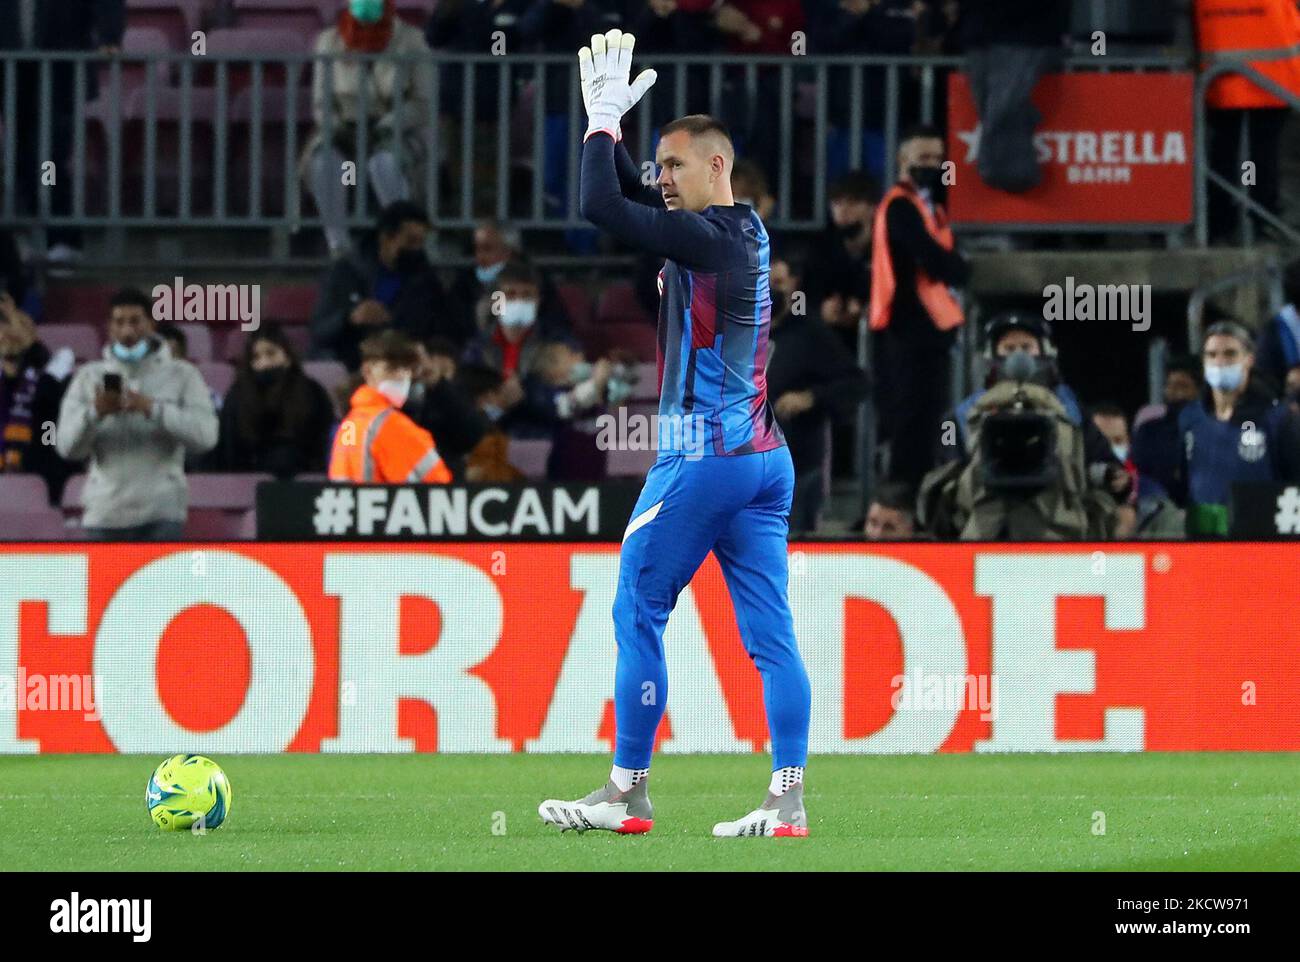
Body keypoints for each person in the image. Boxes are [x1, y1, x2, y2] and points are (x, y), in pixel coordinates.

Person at [537, 32, 810, 840]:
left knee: (639, 608)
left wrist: (597, 124)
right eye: (657, 167)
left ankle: (628, 791)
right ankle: (786, 800)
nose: (661, 180)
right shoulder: (739, 232)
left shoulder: (705, 236)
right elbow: (627, 193)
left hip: (705, 458)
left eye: (674, 166)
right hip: (764, 459)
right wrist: (616, 135)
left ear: (717, 167)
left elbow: (598, 205)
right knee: (770, 633)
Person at [55, 288, 218, 540]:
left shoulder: (183, 374)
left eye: (135, 321)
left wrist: (153, 408)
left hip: (162, 514)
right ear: (109, 327)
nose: (127, 331)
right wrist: (95, 413)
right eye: (119, 322)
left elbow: (206, 437)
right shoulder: (88, 377)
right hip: (104, 515)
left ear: (151, 324)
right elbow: (66, 447)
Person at [870, 124, 970, 489]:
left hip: (930, 332)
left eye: (936, 157)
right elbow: (937, 261)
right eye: (923, 157)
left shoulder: (929, 207)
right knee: (910, 423)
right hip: (908, 330)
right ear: (902, 159)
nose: (931, 163)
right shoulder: (901, 207)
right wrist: (958, 267)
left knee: (927, 423)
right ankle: (901, 504)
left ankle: (916, 499)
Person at [302, 0, 433, 257]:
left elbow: (423, 102)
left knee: (383, 163)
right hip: (345, 125)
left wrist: (391, 123)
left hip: (393, 126)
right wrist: (333, 125)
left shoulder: (412, 40)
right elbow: (322, 102)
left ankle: (402, 240)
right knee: (324, 162)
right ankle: (338, 244)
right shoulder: (329, 41)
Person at [766, 255, 871, 535]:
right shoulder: (737, 331)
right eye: (761, 282)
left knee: (793, 553)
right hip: (742, 469)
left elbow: (857, 383)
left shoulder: (810, 334)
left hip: (797, 469)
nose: (768, 290)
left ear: (793, 284)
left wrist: (811, 397)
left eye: (776, 283)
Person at [1180, 320, 1300, 536]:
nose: (1220, 362)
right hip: (1202, 545)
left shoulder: (1277, 419)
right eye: (1212, 355)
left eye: (1230, 354)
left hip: (1260, 544)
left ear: (1249, 360)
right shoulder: (1191, 418)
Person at [311, 201, 456, 370]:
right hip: (350, 363)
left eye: (420, 243)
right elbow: (320, 330)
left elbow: (441, 329)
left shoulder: (426, 280)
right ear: (385, 237)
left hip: (403, 366)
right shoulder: (345, 272)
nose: (416, 249)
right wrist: (350, 318)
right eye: (410, 241)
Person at [328, 330, 453, 483]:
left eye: (407, 369)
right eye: (391, 369)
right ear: (368, 371)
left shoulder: (350, 422)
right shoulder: (391, 425)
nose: (401, 376)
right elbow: (436, 490)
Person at [216, 325, 337, 479]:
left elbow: (322, 442)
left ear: (287, 357)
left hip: (303, 477)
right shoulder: (237, 394)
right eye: (256, 357)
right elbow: (230, 448)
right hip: (248, 476)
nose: (264, 363)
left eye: (271, 354)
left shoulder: (312, 391)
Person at [0, 292, 75, 502]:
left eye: (17, 327)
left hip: (43, 468)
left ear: (32, 334)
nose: (6, 334)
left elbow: (49, 435)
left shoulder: (52, 376)